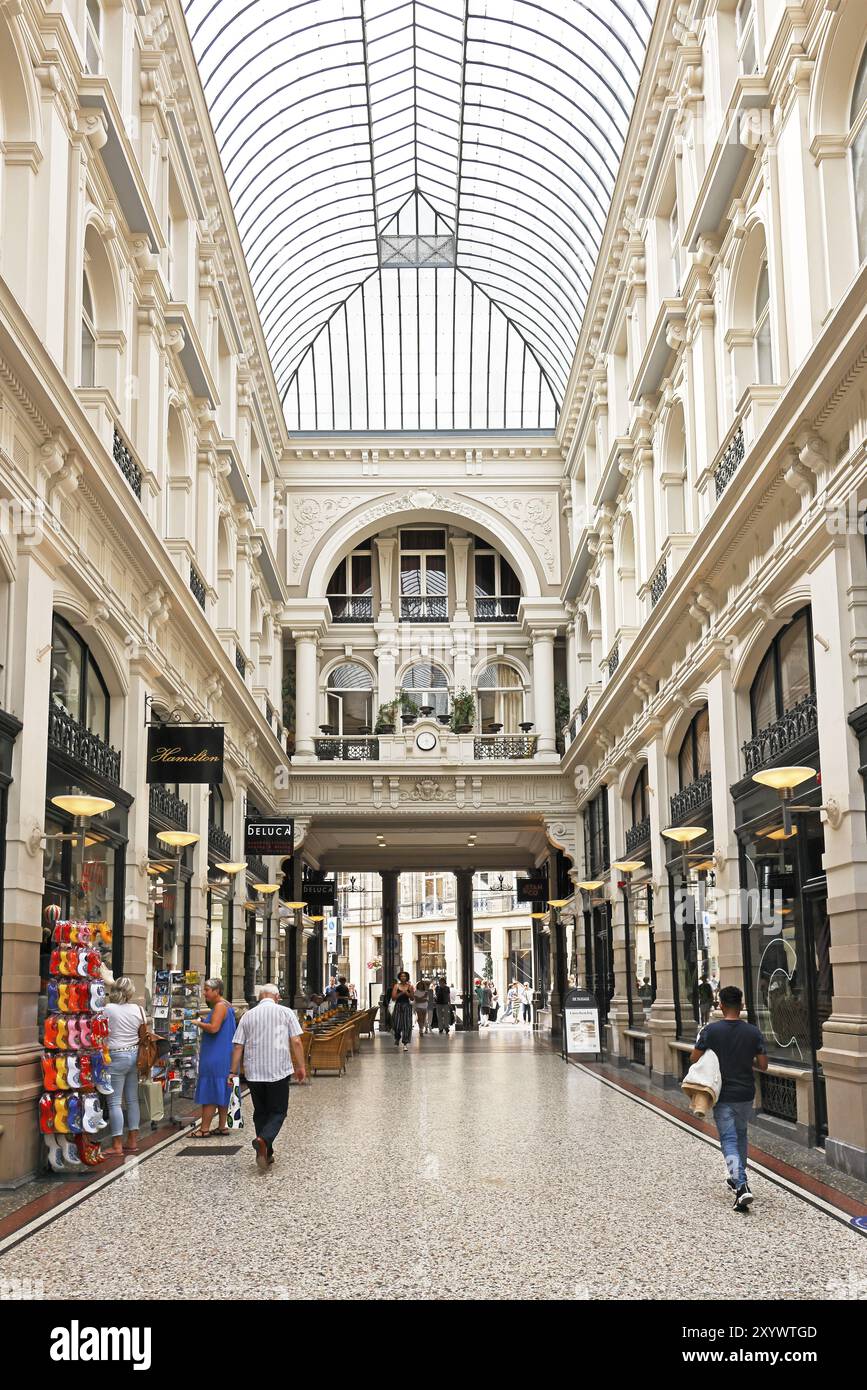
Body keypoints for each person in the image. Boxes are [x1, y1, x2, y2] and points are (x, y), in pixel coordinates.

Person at [689, 984, 768, 1211]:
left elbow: (694, 1058)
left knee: (728, 1139)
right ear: (741, 1005)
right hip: (746, 1094)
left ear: (721, 1005)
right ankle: (737, 1178)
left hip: (722, 1094)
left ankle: (741, 1186)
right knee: (741, 1135)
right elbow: (763, 1065)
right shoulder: (753, 1032)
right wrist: (745, 1061)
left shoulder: (711, 1031)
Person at [228, 983, 306, 1175]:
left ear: (260, 997)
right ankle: (263, 1140)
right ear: (277, 997)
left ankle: (266, 1152)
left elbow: (238, 1046)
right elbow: (296, 1041)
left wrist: (233, 1071)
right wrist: (301, 1066)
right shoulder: (286, 1012)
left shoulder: (248, 1015)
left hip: (254, 1072)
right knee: (278, 1111)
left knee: (261, 1112)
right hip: (278, 1070)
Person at [191, 978, 235, 1137]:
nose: (204, 993)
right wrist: (205, 1020)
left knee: (210, 1091)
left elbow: (214, 1028)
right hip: (225, 1054)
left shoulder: (219, 1006)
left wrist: (197, 1023)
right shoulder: (226, 1005)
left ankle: (204, 1129)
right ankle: (222, 1126)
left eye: (207, 990)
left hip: (215, 1054)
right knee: (223, 1089)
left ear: (217, 991)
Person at [104, 977, 144, 1156]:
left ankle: (117, 1145)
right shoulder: (138, 1009)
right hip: (135, 1055)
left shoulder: (108, 1009)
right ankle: (133, 1141)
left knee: (114, 1102)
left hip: (116, 1056)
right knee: (132, 1099)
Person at [391, 971, 415, 1049]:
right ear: (399, 977)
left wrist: (407, 993)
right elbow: (393, 998)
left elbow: (412, 998)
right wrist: (401, 993)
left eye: (404, 976)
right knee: (397, 1024)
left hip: (407, 1006)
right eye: (401, 976)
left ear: (407, 977)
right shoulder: (396, 986)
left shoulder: (410, 986)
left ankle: (405, 1043)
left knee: (406, 1025)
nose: (403, 977)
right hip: (398, 1006)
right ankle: (397, 1037)